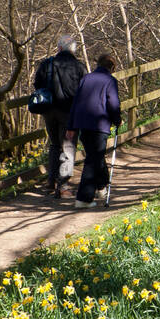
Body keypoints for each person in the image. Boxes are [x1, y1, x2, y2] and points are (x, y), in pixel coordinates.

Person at [66, 51, 122, 209]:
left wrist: (71, 126)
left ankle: (102, 186)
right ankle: (83, 199)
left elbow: (75, 103)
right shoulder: (110, 81)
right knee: (92, 160)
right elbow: (113, 104)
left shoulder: (86, 78)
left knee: (95, 156)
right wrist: (117, 120)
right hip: (99, 124)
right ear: (111, 68)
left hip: (83, 124)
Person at [33, 36, 87, 199]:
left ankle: (51, 181)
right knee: (68, 146)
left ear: (59, 48)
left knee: (55, 145)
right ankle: (63, 186)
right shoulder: (79, 67)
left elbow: (37, 84)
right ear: (73, 50)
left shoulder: (46, 64)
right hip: (69, 112)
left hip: (48, 110)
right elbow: (85, 90)